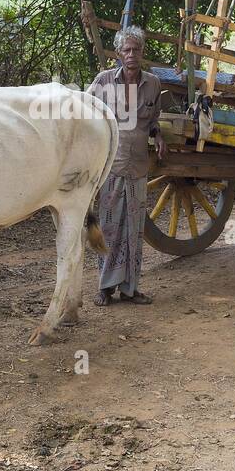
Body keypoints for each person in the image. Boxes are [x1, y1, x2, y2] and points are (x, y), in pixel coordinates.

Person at [87, 25, 166, 306]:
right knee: (109, 228)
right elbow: (86, 116)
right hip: (111, 166)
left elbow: (153, 118)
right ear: (118, 53)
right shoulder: (103, 82)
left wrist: (157, 135)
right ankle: (105, 288)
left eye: (137, 49)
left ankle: (131, 289)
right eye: (127, 50)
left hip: (138, 169)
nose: (132, 54)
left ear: (142, 52)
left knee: (135, 230)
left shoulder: (153, 84)